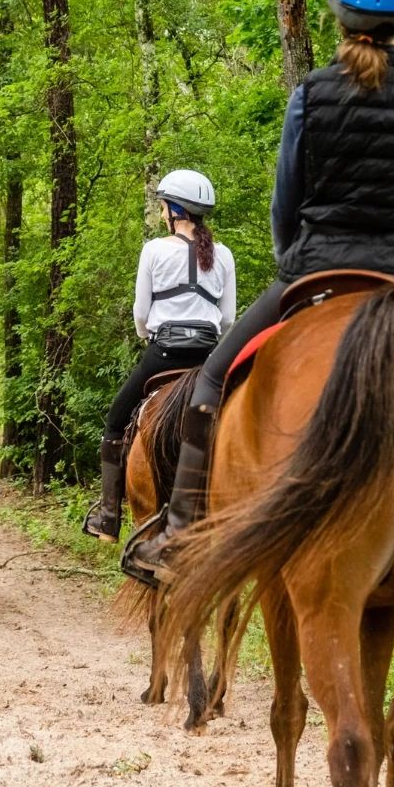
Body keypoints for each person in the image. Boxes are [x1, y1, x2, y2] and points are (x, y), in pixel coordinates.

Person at [124, 0, 394, 606]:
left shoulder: (314, 91)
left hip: (317, 267)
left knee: (212, 381)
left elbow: (287, 199)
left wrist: (294, 260)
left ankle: (181, 529)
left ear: (337, 14)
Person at [82, 170, 236, 543]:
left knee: (117, 419)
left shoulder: (154, 250)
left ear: (174, 210)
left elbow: (140, 312)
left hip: (163, 352)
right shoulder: (225, 255)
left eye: (164, 206)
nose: (162, 212)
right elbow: (228, 318)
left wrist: (147, 336)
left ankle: (108, 517)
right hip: (207, 362)